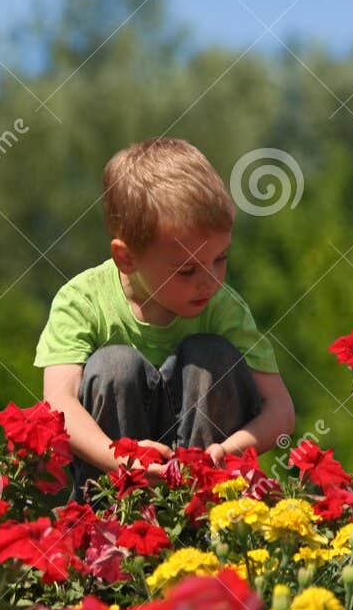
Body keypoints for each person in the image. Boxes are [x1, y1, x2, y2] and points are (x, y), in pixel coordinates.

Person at [34, 137, 295, 498]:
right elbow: (58, 403)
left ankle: (200, 518)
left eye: (221, 258)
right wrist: (120, 461)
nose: (211, 281)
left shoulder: (225, 307)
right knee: (115, 366)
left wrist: (227, 451)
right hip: (115, 488)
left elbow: (281, 410)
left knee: (211, 356)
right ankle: (108, 529)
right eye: (187, 270)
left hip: (208, 486)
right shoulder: (82, 301)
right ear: (127, 258)